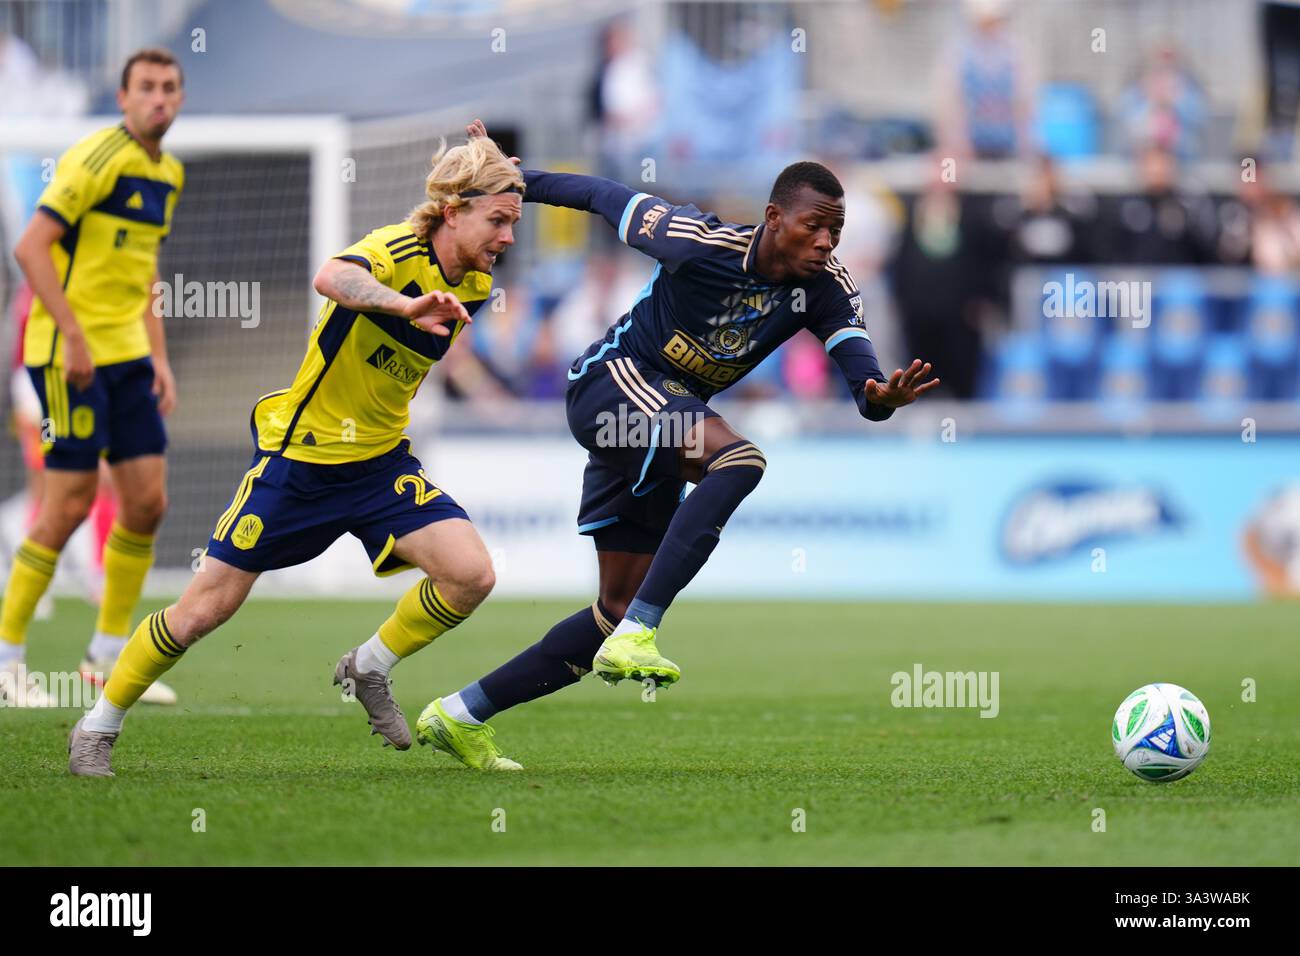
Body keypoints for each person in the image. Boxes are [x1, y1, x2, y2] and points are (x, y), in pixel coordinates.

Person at [415, 130, 938, 770]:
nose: (827, 242)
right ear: (774, 218)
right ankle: (643, 629)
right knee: (739, 460)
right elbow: (605, 195)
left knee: (609, 612)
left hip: (658, 422)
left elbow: (865, 389)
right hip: (609, 390)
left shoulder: (825, 286)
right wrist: (518, 182)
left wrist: (885, 394)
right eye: (814, 227)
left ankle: (459, 715)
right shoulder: (698, 241)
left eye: (837, 230)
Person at [67, 130, 524, 776]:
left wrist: (496, 163)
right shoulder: (396, 251)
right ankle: (97, 726)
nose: (508, 238)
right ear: (452, 211)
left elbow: (490, 209)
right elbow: (331, 275)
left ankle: (367, 668)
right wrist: (402, 304)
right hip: (301, 462)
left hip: (380, 466)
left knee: (472, 574)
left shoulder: (472, 283)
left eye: (512, 222)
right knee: (207, 608)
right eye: (499, 221)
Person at [0, 49, 185, 707]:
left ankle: (107, 661)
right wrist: (73, 336)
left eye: (169, 88)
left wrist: (158, 357)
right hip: (67, 357)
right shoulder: (96, 159)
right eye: (146, 88)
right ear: (122, 96)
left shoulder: (169, 172)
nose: (158, 98)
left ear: (179, 98)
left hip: (130, 358)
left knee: (147, 503)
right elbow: (30, 247)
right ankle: (8, 661)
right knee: (70, 502)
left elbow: (145, 273)